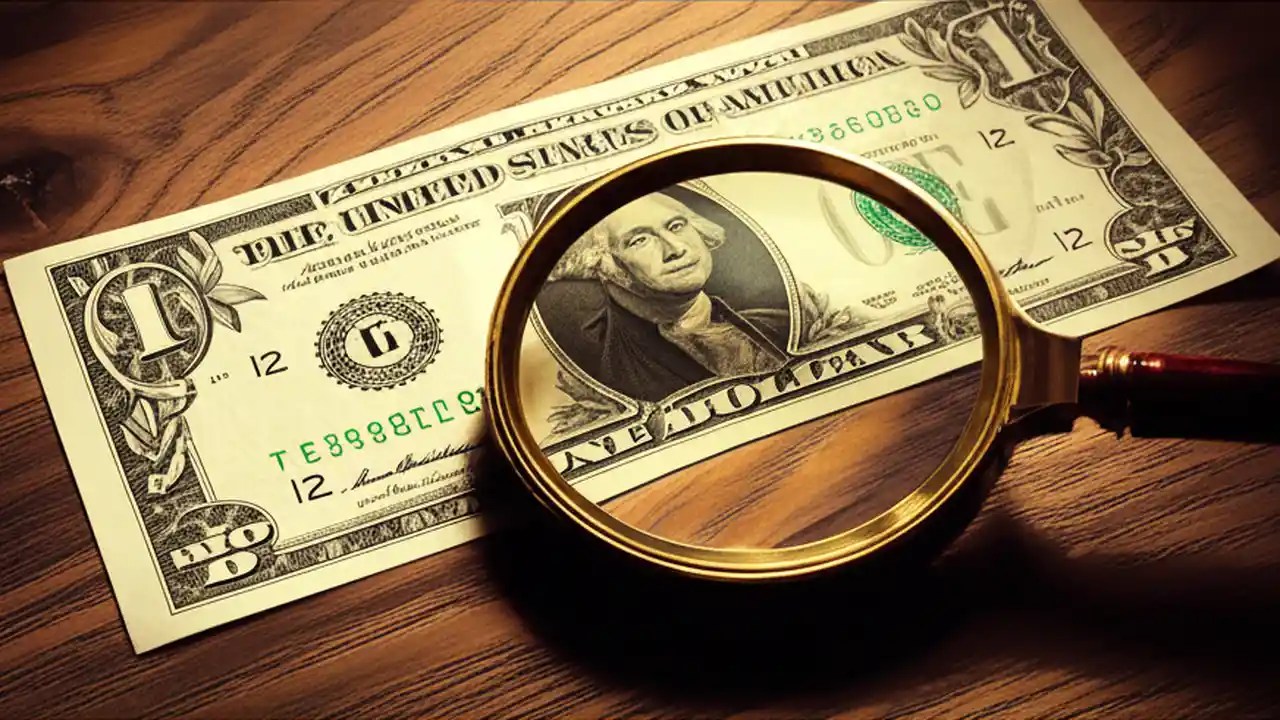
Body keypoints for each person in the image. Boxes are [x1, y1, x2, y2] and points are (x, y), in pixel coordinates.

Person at [536, 191, 791, 403]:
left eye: (676, 226)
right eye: (640, 240)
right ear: (603, 263)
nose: (676, 249)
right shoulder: (604, 365)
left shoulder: (776, 324)